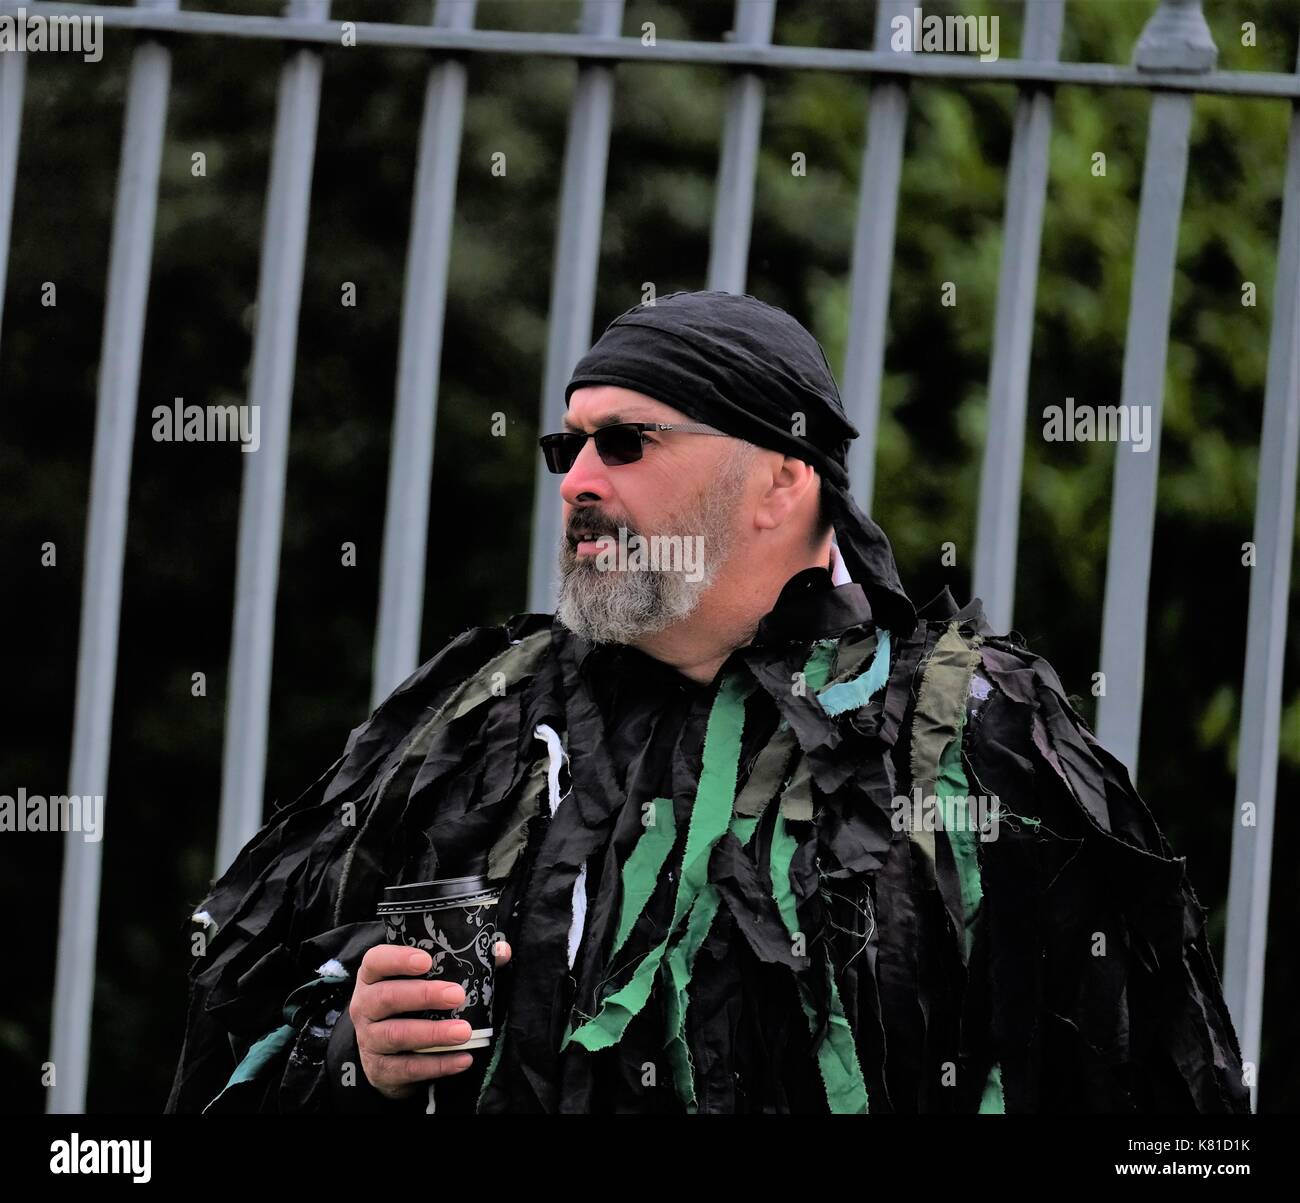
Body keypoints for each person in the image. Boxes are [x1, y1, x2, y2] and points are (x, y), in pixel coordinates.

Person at [164, 290, 1250, 1114]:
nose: (579, 477)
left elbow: (1149, 1084)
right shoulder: (478, 716)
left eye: (627, 441)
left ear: (784, 476)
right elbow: (242, 1024)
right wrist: (352, 1052)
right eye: (568, 444)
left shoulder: (968, 733)